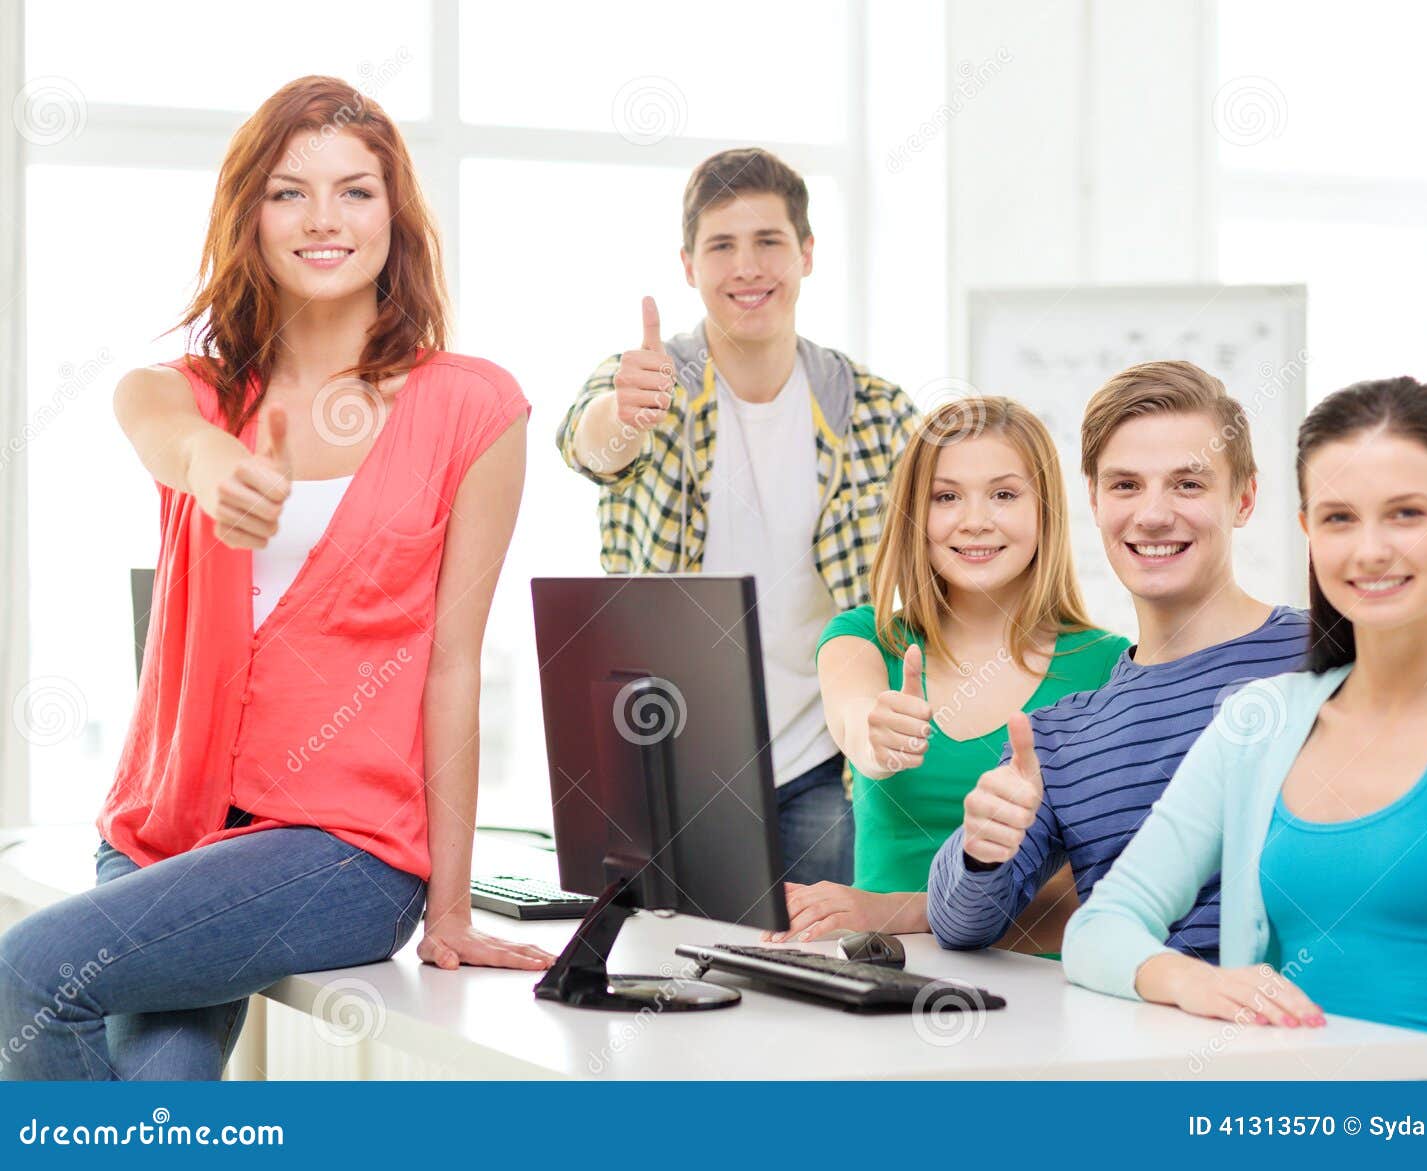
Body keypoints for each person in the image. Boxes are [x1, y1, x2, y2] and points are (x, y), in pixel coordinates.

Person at [0, 76, 550, 1082]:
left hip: (342, 853)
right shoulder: (191, 395)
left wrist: (453, 905)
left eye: (355, 190)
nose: (323, 219)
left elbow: (453, 666)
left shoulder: (473, 408)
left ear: (397, 215)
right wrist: (214, 467)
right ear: (248, 215)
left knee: (28, 973)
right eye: (289, 192)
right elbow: (159, 430)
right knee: (157, 1104)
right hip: (162, 834)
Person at [1060, 377, 1427, 1082]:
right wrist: (1195, 981)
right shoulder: (1259, 723)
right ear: (1309, 530)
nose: (1370, 549)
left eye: (1405, 513)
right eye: (1340, 518)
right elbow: (1099, 929)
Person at [555, 147, 918, 885]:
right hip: (670, 761)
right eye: (722, 245)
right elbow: (590, 442)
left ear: (807, 254)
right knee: (666, 973)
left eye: (769, 242)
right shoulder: (648, 383)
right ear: (689, 265)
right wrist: (624, 417)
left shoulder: (874, 411)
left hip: (823, 765)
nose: (746, 267)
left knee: (817, 974)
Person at [926, 361, 1308, 958]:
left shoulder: (1328, 656)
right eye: (1126, 485)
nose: (1152, 514)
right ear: (1095, 502)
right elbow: (962, 925)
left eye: (1188, 484)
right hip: (1137, 1041)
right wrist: (981, 843)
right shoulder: (1056, 736)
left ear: (1244, 498)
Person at [762, 398, 1127, 947]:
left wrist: (906, 911)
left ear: (1044, 511)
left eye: (1004, 495)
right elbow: (854, 719)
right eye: (946, 497)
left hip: (1039, 994)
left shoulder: (1111, 666)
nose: (974, 521)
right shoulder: (864, 639)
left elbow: (1097, 889)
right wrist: (876, 735)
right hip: (881, 980)